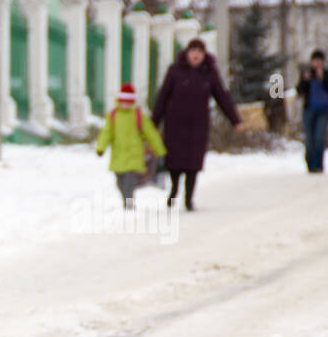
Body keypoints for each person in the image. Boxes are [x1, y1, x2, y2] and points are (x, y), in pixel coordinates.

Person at [151, 37, 246, 210]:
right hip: (175, 125)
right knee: (173, 162)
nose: (195, 55)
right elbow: (162, 97)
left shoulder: (209, 73)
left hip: (198, 126)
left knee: (193, 163)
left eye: (199, 52)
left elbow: (222, 97)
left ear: (204, 55)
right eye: (193, 52)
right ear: (187, 53)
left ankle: (188, 198)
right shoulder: (175, 71)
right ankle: (173, 189)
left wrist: (235, 120)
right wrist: (153, 123)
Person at [96, 83, 167, 208]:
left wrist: (160, 151)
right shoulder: (113, 116)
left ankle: (129, 204)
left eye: (129, 102)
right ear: (119, 101)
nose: (126, 105)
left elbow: (151, 134)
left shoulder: (139, 116)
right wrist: (101, 148)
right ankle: (127, 200)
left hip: (135, 156)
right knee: (120, 183)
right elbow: (106, 133)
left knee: (129, 182)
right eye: (124, 102)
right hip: (118, 156)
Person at [296, 49, 328, 173]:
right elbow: (299, 91)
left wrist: (322, 78)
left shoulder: (325, 74)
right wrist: (305, 80)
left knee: (319, 137)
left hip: (323, 110)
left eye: (319, 60)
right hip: (309, 109)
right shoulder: (307, 73)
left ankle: (318, 166)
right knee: (309, 138)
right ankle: (310, 164)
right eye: (315, 60)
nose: (317, 63)